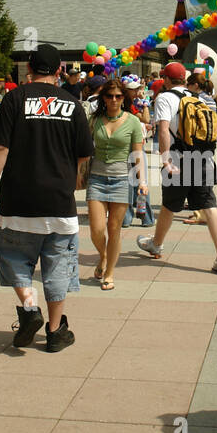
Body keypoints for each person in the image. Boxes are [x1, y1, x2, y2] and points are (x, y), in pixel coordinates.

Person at [0, 44, 94, 352]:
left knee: (12, 256)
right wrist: (72, 188)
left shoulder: (14, 98)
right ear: (59, 70)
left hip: (19, 198)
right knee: (58, 265)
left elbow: (1, 148)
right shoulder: (73, 104)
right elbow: (83, 156)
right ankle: (56, 332)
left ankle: (30, 308)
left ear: (29, 69)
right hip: (58, 200)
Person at [136, 61, 217, 274]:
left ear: (167, 80)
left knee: (169, 205)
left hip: (178, 160)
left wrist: (165, 159)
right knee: (209, 205)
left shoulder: (165, 98)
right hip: (203, 158)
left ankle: (157, 244)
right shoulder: (199, 98)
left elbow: (162, 131)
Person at [86, 79, 146, 291]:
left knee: (114, 229)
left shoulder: (132, 122)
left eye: (118, 96)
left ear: (124, 98)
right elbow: (83, 148)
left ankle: (109, 272)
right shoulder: (95, 120)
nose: (113, 100)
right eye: (109, 96)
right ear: (103, 98)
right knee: (96, 229)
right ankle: (103, 256)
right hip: (97, 179)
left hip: (121, 179)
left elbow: (138, 153)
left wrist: (142, 181)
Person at [119, 75, 155, 228]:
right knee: (133, 183)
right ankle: (130, 218)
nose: (136, 92)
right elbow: (146, 119)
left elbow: (146, 119)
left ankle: (143, 217)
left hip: (136, 145)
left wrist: (144, 103)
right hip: (128, 146)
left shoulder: (134, 104)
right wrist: (144, 105)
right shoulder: (125, 105)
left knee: (139, 182)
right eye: (132, 90)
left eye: (137, 89)